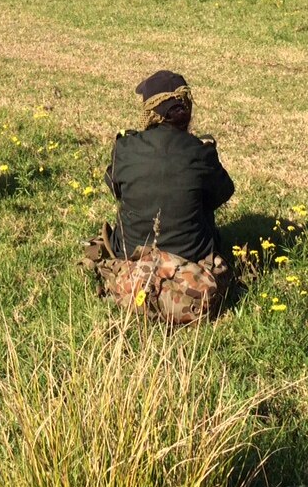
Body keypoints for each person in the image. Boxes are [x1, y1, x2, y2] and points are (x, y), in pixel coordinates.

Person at [83, 70, 234, 324]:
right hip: (191, 258)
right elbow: (222, 193)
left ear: (150, 111)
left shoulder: (126, 148)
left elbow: (115, 188)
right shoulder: (201, 152)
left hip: (131, 253)